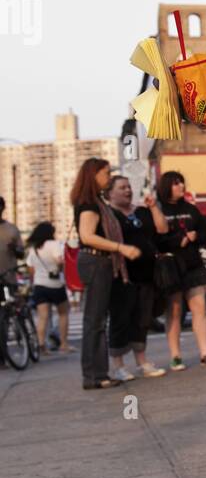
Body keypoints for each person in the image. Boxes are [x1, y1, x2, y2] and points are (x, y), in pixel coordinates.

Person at [71, 157, 141, 390]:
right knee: (95, 321)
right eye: (105, 173)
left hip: (99, 262)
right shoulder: (89, 204)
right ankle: (94, 375)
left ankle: (97, 374)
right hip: (95, 261)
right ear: (93, 175)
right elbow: (87, 236)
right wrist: (121, 248)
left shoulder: (94, 201)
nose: (108, 177)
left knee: (97, 320)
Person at [155, 171, 206, 371]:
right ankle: (175, 356)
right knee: (174, 311)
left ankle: (205, 353)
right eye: (176, 184)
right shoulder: (159, 209)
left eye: (182, 183)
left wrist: (196, 235)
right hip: (170, 267)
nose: (181, 187)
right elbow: (155, 239)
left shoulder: (191, 209)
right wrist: (178, 240)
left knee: (200, 308)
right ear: (167, 186)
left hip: (193, 265)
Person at [106, 175, 167, 379]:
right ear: (110, 193)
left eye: (129, 186)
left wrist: (154, 207)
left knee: (143, 319)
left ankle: (142, 361)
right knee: (121, 319)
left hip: (147, 273)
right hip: (122, 275)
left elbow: (162, 229)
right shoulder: (109, 215)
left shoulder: (141, 211)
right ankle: (118, 365)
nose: (127, 190)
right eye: (122, 187)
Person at [25, 221, 71, 353]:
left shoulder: (33, 248)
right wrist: (59, 268)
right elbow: (59, 261)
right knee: (63, 313)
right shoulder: (54, 244)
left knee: (42, 317)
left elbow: (31, 269)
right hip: (56, 285)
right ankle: (63, 344)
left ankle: (41, 345)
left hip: (40, 285)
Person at [0, 195, 23, 291]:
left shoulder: (12, 229)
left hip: (9, 280)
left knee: (11, 306)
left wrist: (14, 248)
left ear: (3, 208)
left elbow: (21, 254)